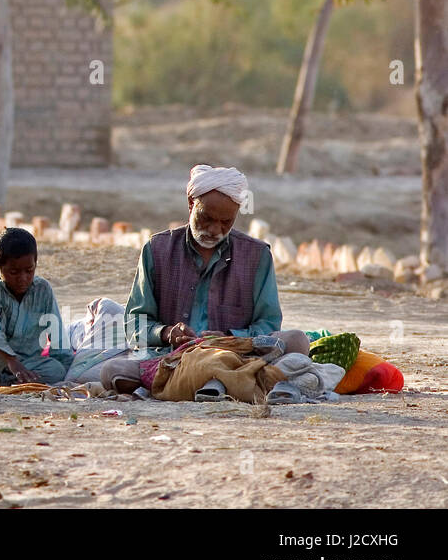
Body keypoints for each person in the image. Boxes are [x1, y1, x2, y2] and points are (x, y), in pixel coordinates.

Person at [98, 164, 311, 393]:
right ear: (191, 203)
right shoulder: (157, 249)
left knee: (298, 340)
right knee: (111, 371)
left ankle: (206, 383)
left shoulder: (257, 256)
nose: (215, 229)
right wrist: (167, 333)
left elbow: (268, 323)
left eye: (226, 222)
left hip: (236, 357)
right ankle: (221, 384)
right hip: (173, 360)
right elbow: (135, 323)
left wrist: (230, 338)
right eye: (206, 218)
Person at [0, 228, 73, 384]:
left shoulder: (43, 289)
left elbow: (57, 334)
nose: (23, 278)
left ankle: (4, 381)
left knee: (56, 370)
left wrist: (66, 369)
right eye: (14, 272)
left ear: (35, 264)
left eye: (29, 271)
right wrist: (10, 360)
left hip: (25, 363)